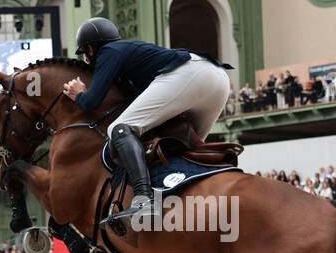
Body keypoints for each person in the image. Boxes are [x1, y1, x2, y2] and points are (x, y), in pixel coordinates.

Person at [60, 17, 231, 228]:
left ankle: (144, 199)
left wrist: (79, 95)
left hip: (190, 74)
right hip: (218, 79)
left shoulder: (109, 52)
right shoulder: (128, 53)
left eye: (86, 54)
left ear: (90, 49)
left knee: (119, 129)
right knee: (188, 148)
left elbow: (91, 101)